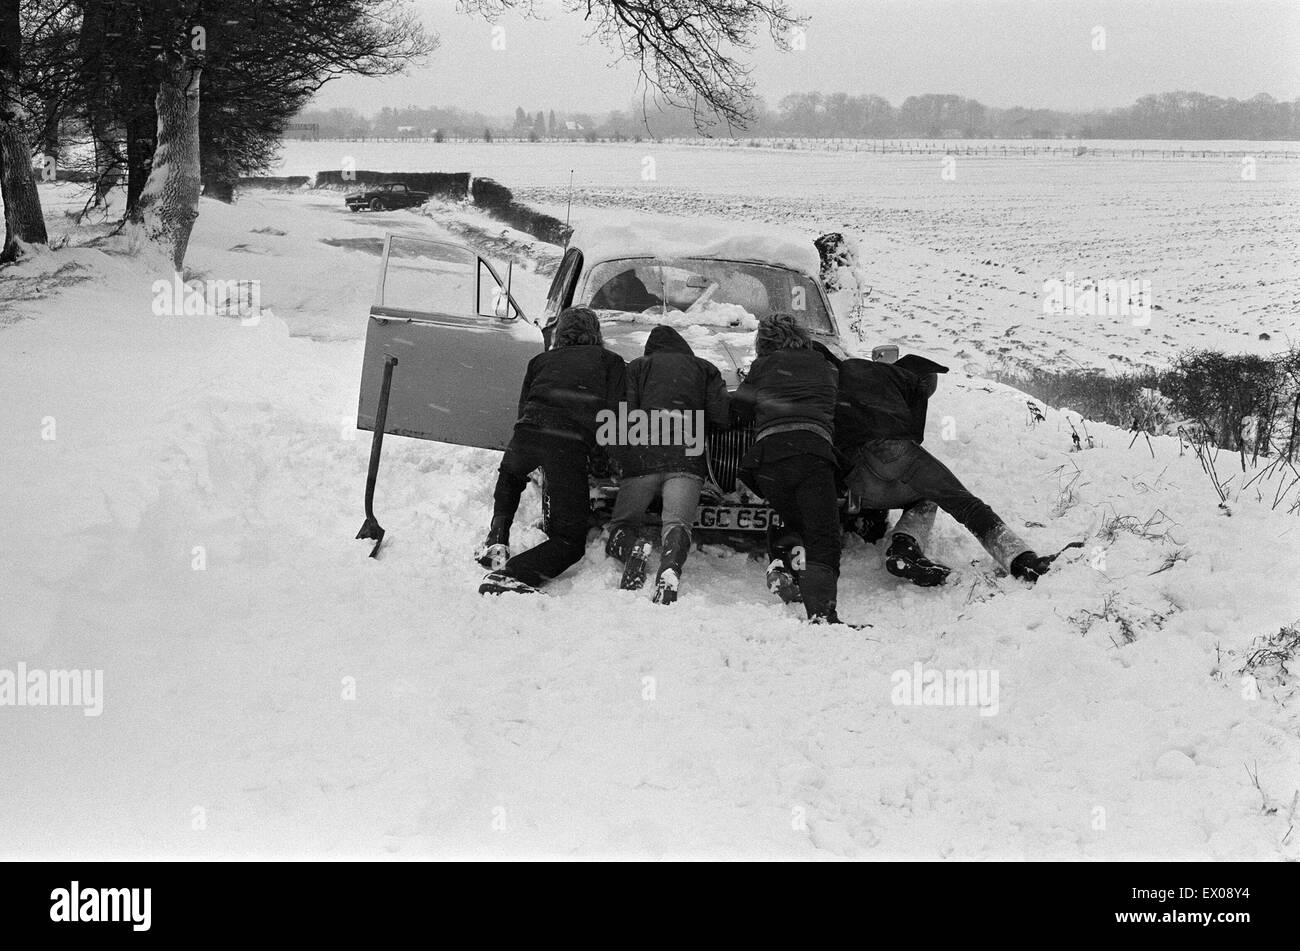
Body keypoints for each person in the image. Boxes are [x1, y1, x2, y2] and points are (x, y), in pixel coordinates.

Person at [832, 350, 1056, 584]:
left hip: (848, 472)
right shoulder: (911, 383)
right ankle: (1021, 560)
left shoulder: (855, 371)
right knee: (953, 499)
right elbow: (912, 436)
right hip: (891, 450)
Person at [477, 307, 627, 595]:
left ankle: (497, 537)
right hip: (567, 442)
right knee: (570, 542)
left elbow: (523, 410)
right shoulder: (611, 362)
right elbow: (613, 417)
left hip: (528, 433)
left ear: (560, 334)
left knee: (511, 476)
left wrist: (524, 447)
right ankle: (510, 575)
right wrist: (600, 460)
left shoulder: (540, 361)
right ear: (595, 333)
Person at [732, 314, 854, 625]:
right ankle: (822, 615)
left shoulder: (762, 366)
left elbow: (738, 411)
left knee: (797, 519)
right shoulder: (825, 365)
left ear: (764, 341)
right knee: (823, 536)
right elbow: (841, 406)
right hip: (812, 457)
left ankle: (783, 566)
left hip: (768, 463)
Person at [603, 325, 731, 604]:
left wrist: (619, 457)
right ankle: (669, 570)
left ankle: (631, 548)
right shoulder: (705, 369)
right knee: (678, 524)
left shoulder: (638, 367)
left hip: (643, 456)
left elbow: (625, 413)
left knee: (622, 523)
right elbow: (722, 417)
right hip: (687, 458)